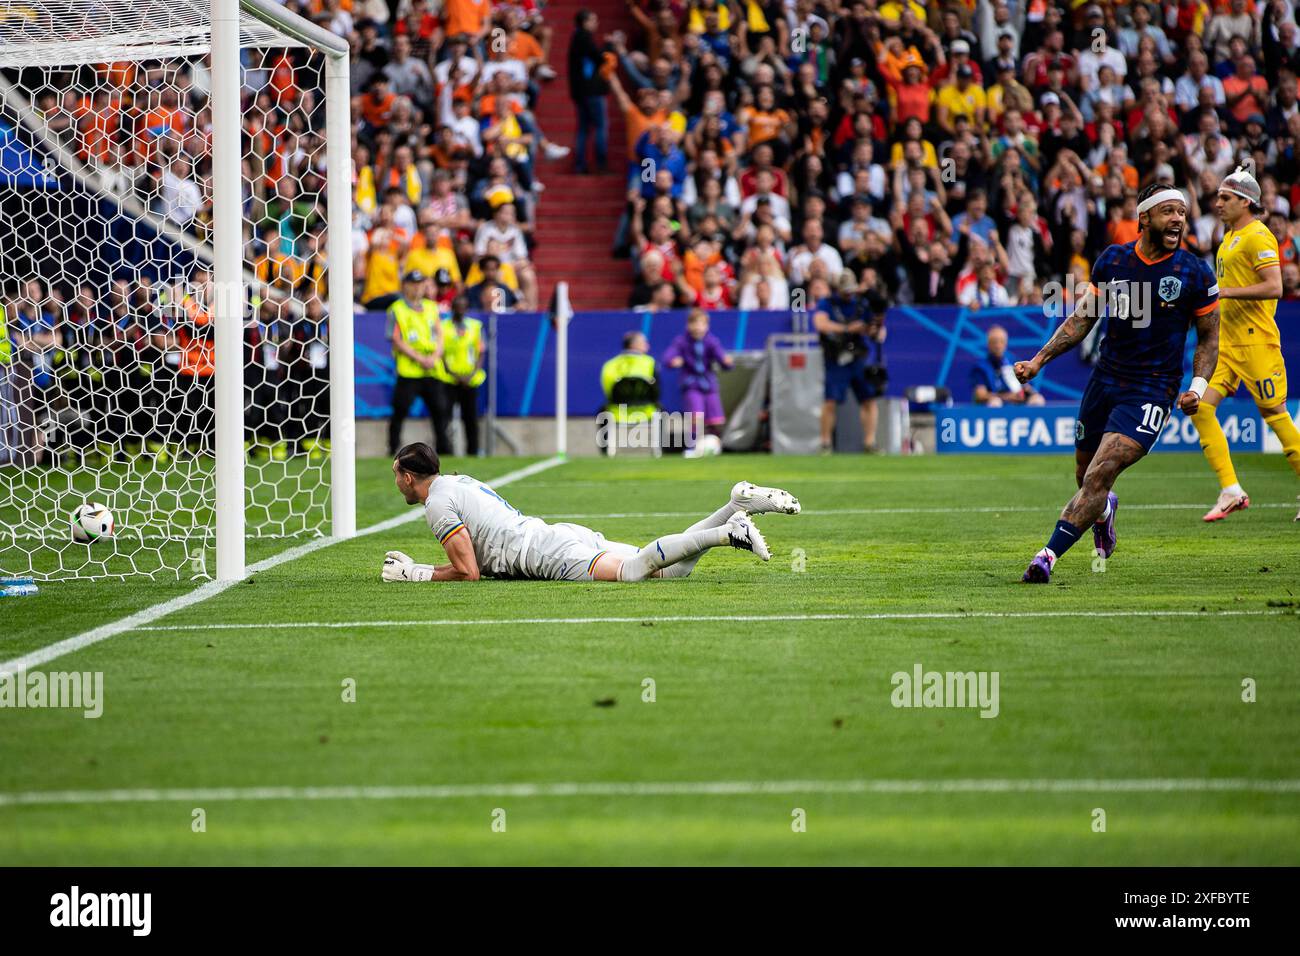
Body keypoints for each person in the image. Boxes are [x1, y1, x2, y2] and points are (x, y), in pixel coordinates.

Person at [1015, 183, 1220, 583]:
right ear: (1144, 218)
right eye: (1168, 211)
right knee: (1084, 475)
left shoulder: (1195, 272)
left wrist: (1196, 385)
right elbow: (1083, 317)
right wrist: (1039, 360)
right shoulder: (1113, 261)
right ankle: (1104, 511)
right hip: (1105, 379)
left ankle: (1046, 557)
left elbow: (1210, 337)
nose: (1178, 218)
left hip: (1152, 388)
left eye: (1182, 211)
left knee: (1099, 471)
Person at [381, 442, 800, 582]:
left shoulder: (436, 502)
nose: (395, 481)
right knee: (667, 571)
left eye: (396, 473)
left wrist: (415, 573)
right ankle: (735, 506)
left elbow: (468, 572)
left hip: (543, 554)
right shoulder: (457, 480)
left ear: (408, 477)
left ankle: (730, 533)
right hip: (553, 536)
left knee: (634, 572)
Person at [1191, 165, 1300, 522]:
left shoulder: (1258, 236)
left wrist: (1226, 293)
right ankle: (1230, 490)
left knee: (1275, 416)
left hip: (1255, 344)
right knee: (1200, 409)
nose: (1218, 202)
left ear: (1245, 202)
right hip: (1228, 344)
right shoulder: (1229, 238)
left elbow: (1275, 287)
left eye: (1225, 197)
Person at [812, 271, 888, 453]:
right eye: (845, 290)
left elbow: (879, 332)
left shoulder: (862, 303)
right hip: (837, 358)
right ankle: (825, 443)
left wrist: (871, 330)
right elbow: (820, 324)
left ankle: (870, 442)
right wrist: (846, 328)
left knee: (868, 399)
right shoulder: (828, 303)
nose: (848, 294)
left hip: (859, 357)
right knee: (830, 401)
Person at [387, 270, 449, 456]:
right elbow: (396, 339)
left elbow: (440, 334)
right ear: (405, 285)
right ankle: (392, 448)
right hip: (410, 369)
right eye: (413, 283)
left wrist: (435, 356)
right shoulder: (397, 309)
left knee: (440, 410)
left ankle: (444, 450)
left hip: (432, 368)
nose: (417, 287)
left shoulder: (431, 307)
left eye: (420, 283)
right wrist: (420, 358)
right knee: (400, 410)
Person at [662, 308, 733, 452]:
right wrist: (673, 361)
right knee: (696, 417)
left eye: (702, 324)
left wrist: (726, 362)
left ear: (707, 326)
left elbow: (723, 360)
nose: (698, 328)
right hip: (691, 384)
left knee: (716, 419)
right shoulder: (681, 341)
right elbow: (667, 358)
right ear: (688, 325)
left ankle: (715, 446)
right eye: (694, 324)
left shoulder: (711, 341)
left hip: (709, 384)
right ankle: (692, 447)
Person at [434, 294, 485, 456]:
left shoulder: (475, 326)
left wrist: (472, 373)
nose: (460, 309)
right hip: (448, 378)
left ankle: (473, 450)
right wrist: (451, 372)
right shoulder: (443, 326)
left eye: (463, 306)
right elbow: (440, 351)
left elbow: (480, 352)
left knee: (470, 418)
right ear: (452, 308)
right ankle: (444, 450)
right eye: (457, 306)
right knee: (444, 417)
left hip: (469, 379)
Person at [568, 9, 608, 174]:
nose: (596, 24)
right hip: (591, 91)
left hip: (580, 92)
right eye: (593, 20)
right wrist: (609, 48)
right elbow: (598, 58)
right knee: (600, 126)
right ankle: (600, 164)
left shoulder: (576, 38)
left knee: (584, 128)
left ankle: (580, 165)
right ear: (585, 22)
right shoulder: (584, 37)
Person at [970, 325, 1045, 406]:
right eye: (994, 342)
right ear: (988, 344)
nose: (998, 346)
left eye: (1001, 341)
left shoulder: (1014, 362)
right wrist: (1007, 397)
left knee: (1037, 399)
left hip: (1017, 403)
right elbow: (981, 395)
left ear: (1005, 344)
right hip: (997, 405)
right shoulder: (980, 367)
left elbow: (1025, 387)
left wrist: (1030, 393)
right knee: (995, 402)